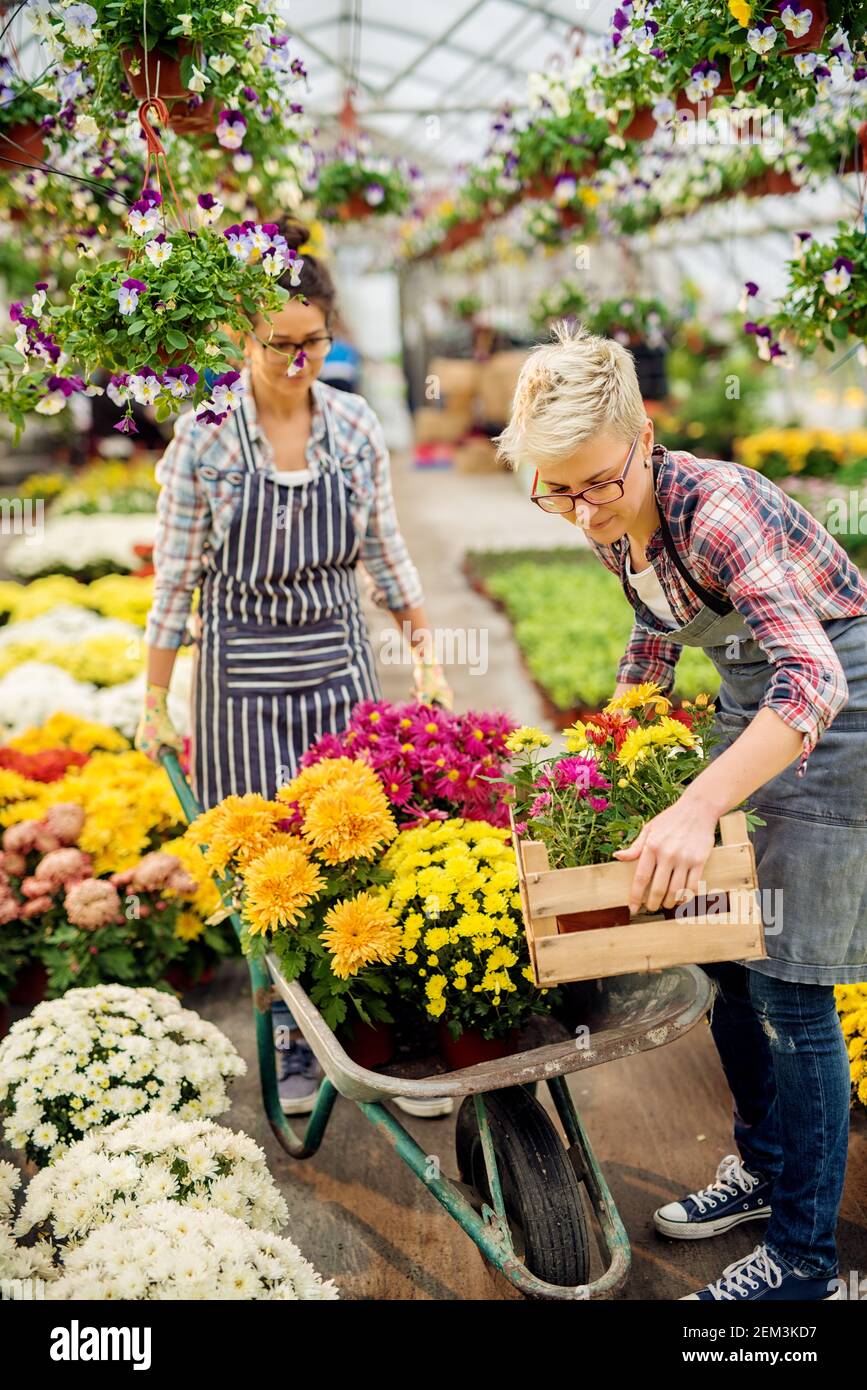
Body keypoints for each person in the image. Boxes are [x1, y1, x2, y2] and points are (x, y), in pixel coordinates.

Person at [495, 321, 867, 1303]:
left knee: (789, 981)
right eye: (557, 489)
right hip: (757, 701)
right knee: (725, 954)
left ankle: (804, 1260)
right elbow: (652, 646)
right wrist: (601, 764)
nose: (580, 511)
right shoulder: (617, 518)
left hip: (838, 707)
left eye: (596, 485)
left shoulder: (721, 510)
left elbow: (813, 678)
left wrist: (699, 802)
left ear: (644, 437)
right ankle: (767, 1168)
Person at [136, 219, 453, 1120]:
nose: (296, 360)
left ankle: (382, 1027)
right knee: (263, 864)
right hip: (239, 673)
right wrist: (155, 700)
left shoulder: (351, 427)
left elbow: (388, 558)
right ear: (242, 335)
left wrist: (427, 661)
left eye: (312, 341)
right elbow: (176, 583)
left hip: (334, 662)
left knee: (357, 847)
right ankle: (290, 1035)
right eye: (278, 344)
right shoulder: (204, 439)